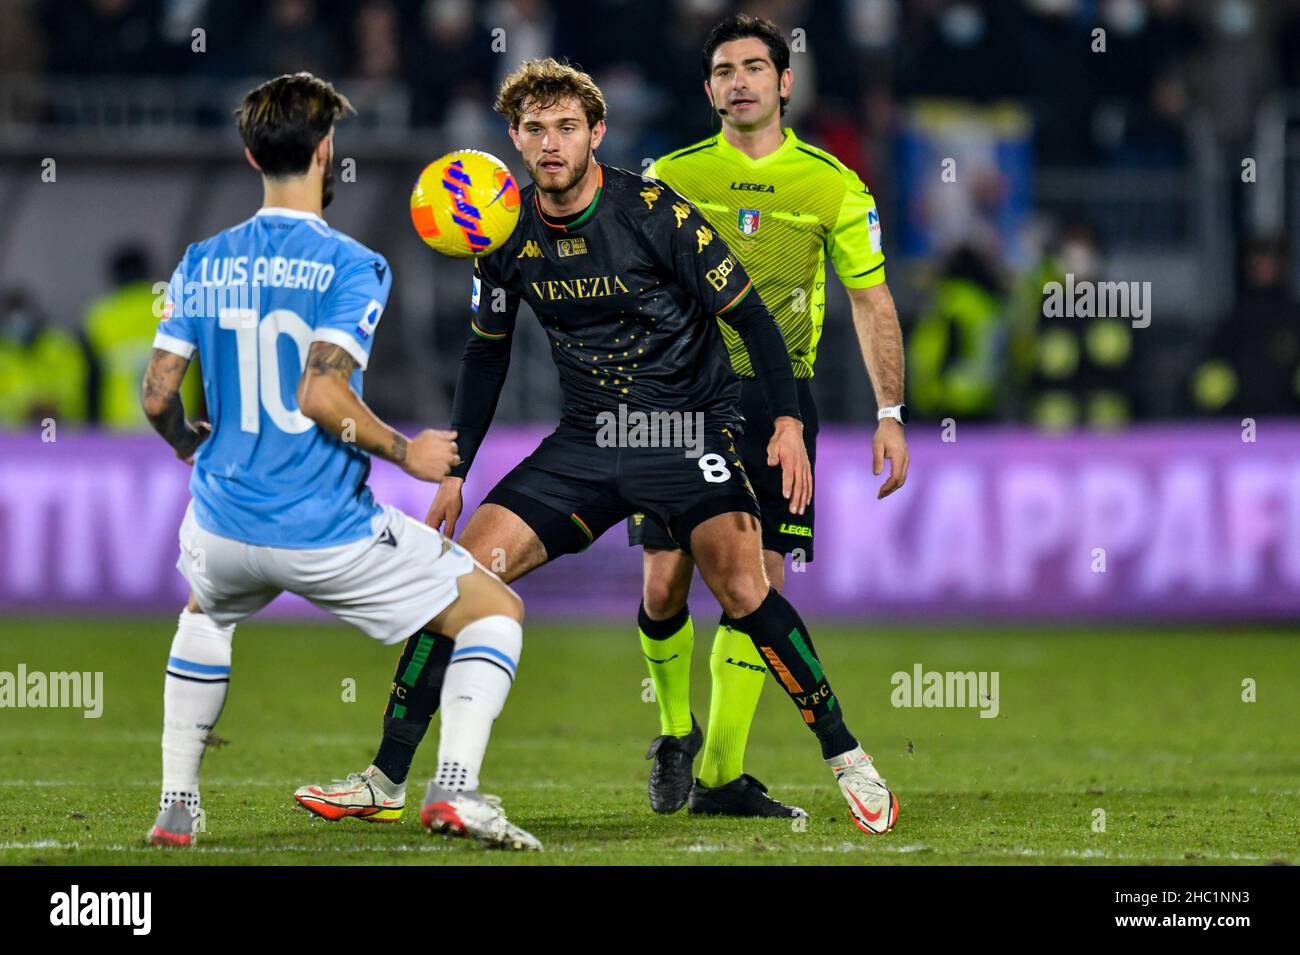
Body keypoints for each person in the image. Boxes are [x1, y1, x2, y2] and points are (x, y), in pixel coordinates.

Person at [296, 57, 899, 836]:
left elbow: (752, 319)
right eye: (536, 128)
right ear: (514, 139)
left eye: (567, 127)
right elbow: (487, 352)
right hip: (586, 440)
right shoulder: (501, 232)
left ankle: (848, 755)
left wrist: (784, 422)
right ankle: (383, 777)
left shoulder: (655, 213)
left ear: (596, 134)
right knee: (452, 582)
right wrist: (455, 469)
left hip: (684, 431)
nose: (552, 142)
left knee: (745, 589)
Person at [142, 72, 538, 851]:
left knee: (205, 612)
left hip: (222, 522)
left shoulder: (201, 259)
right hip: (324, 530)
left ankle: (177, 804)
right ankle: (454, 789)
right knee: (495, 611)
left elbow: (157, 395)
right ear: (327, 150)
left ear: (253, 158)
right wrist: (407, 450)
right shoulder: (354, 264)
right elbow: (321, 392)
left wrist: (194, 446)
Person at [626, 13, 909, 819]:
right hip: (679, 397)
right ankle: (675, 733)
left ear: (786, 82)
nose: (740, 80)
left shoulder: (834, 183)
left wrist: (890, 409)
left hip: (777, 404)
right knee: (664, 576)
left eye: (756, 66)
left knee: (764, 581)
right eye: (725, 69)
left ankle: (718, 775)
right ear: (709, 87)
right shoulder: (670, 176)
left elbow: (870, 298)